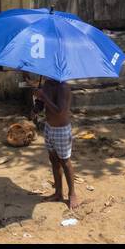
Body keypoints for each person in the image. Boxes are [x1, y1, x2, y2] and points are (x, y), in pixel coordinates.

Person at [32, 74, 79, 208]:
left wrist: (43, 96)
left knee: (65, 161)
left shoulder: (63, 87)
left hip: (61, 130)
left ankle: (72, 194)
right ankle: (58, 192)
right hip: (49, 127)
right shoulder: (47, 84)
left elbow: (59, 111)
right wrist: (37, 105)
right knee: (53, 159)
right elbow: (42, 104)